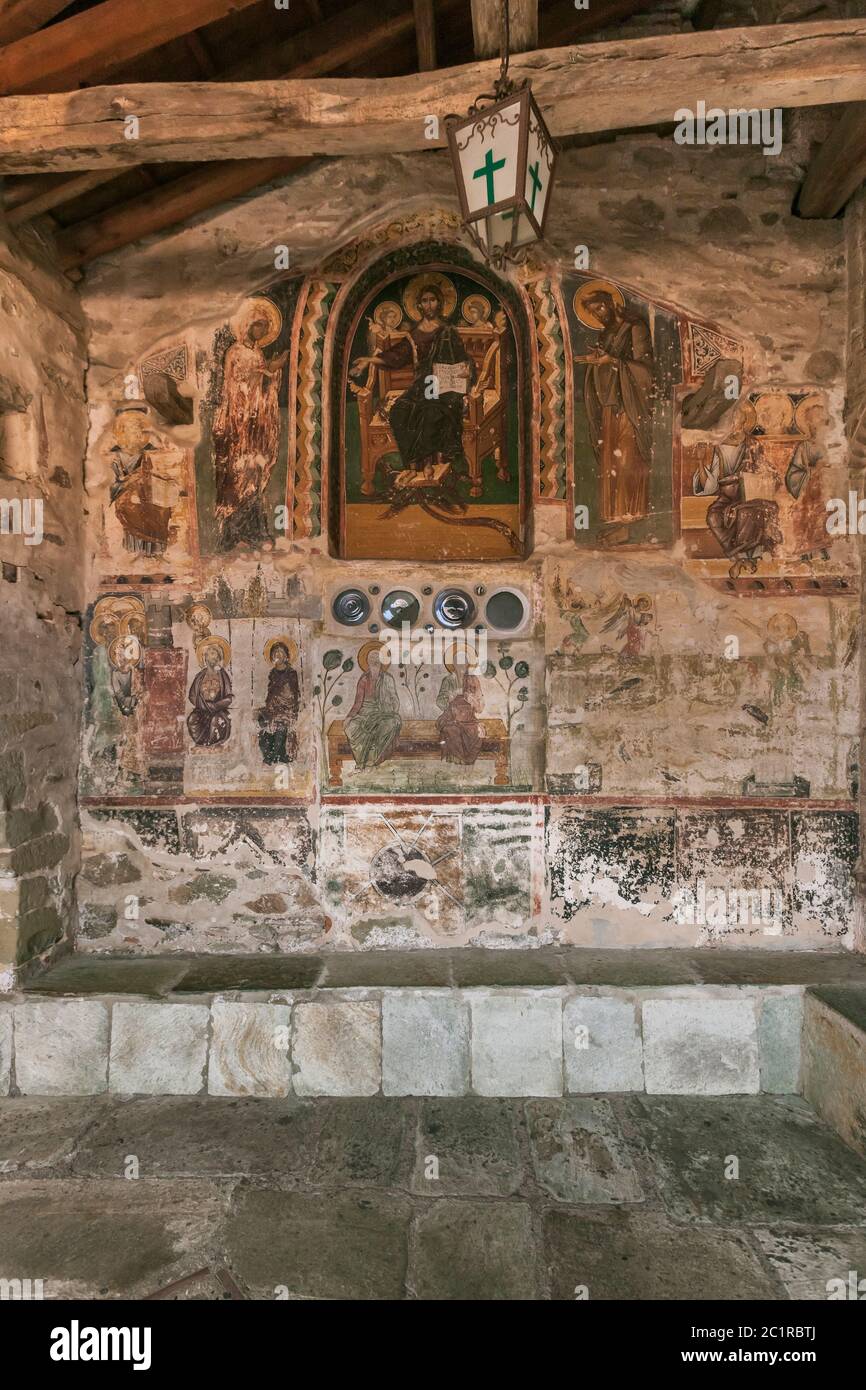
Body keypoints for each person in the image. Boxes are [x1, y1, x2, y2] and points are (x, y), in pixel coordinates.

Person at [349, 282, 473, 481]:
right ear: (419, 305)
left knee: (429, 411)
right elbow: (396, 356)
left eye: (432, 300)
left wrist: (466, 372)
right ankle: (412, 464)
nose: (429, 304)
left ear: (439, 303)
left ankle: (427, 466)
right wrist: (369, 360)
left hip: (445, 387)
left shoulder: (448, 331)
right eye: (425, 301)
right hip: (421, 385)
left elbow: (463, 360)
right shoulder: (414, 334)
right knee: (399, 411)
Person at [213, 301, 287, 551]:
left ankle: (254, 530)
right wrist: (268, 370)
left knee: (255, 474)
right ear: (247, 325)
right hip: (238, 423)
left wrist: (270, 373)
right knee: (238, 475)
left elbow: (261, 384)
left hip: (256, 425)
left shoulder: (257, 353)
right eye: (259, 326)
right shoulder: (235, 352)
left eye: (266, 327)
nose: (263, 331)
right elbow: (237, 385)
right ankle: (232, 532)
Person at [577, 289, 655, 523]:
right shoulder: (606, 334)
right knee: (611, 462)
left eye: (599, 308)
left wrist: (611, 360)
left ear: (611, 302)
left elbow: (647, 370)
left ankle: (630, 517)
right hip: (611, 405)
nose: (598, 315)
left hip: (631, 406)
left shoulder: (635, 326)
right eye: (592, 312)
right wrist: (598, 359)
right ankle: (615, 518)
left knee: (627, 461)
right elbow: (607, 366)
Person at [108, 408, 174, 556]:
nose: (136, 433)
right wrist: (128, 481)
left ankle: (154, 551)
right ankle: (136, 550)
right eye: (131, 429)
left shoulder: (149, 451)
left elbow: (159, 471)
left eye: (139, 429)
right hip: (126, 495)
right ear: (122, 432)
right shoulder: (115, 454)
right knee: (131, 506)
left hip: (149, 494)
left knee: (161, 509)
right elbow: (113, 482)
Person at [343, 644, 401, 769]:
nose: (374, 659)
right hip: (364, 713)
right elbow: (358, 702)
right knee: (351, 728)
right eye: (371, 656)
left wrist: (391, 709)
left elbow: (394, 699)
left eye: (377, 656)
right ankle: (361, 762)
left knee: (391, 723)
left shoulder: (388, 679)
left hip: (383, 713)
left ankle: (371, 760)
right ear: (367, 661)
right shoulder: (364, 679)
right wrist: (349, 717)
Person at [258, 641, 300, 765]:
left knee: (281, 725)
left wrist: (287, 703)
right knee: (264, 724)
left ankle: (274, 755)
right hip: (273, 707)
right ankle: (273, 754)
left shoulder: (291, 673)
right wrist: (270, 705)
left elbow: (293, 693)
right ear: (272, 656)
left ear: (286, 656)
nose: (278, 654)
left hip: (287, 707)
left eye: (281, 652)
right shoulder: (273, 673)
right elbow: (271, 692)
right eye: (276, 652)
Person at [187, 641, 233, 747]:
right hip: (201, 711)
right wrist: (203, 704)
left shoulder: (222, 675)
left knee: (216, 721)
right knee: (192, 719)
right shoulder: (200, 676)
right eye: (209, 654)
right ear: (205, 657)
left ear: (219, 657)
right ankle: (201, 743)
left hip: (218, 712)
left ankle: (212, 743)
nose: (212, 656)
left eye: (214, 653)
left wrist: (215, 706)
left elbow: (229, 698)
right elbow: (192, 696)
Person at [437, 664, 484, 765]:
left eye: (464, 662)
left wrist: (472, 700)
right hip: (450, 718)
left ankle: (465, 766)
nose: (461, 666)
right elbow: (439, 702)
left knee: (474, 732)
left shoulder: (473, 680)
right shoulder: (448, 680)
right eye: (457, 662)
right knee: (451, 730)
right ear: (453, 664)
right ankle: (455, 765)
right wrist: (450, 697)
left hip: (469, 719)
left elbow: (480, 707)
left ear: (468, 664)